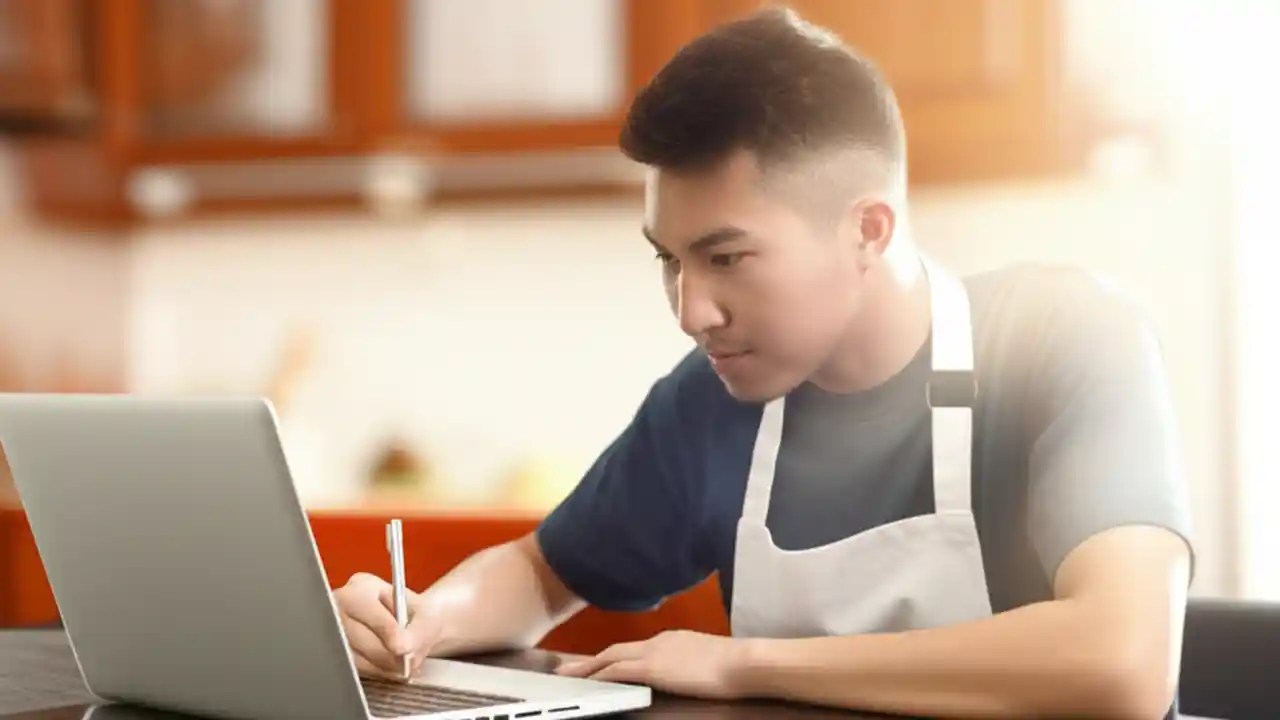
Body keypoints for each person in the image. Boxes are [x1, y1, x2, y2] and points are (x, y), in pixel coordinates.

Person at [334, 8, 1195, 718]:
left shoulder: (1064, 340)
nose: (690, 312)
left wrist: (746, 664)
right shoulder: (712, 401)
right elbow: (538, 573)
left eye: (727, 258)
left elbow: (1121, 664)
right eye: (668, 260)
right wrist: (417, 620)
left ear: (868, 229)